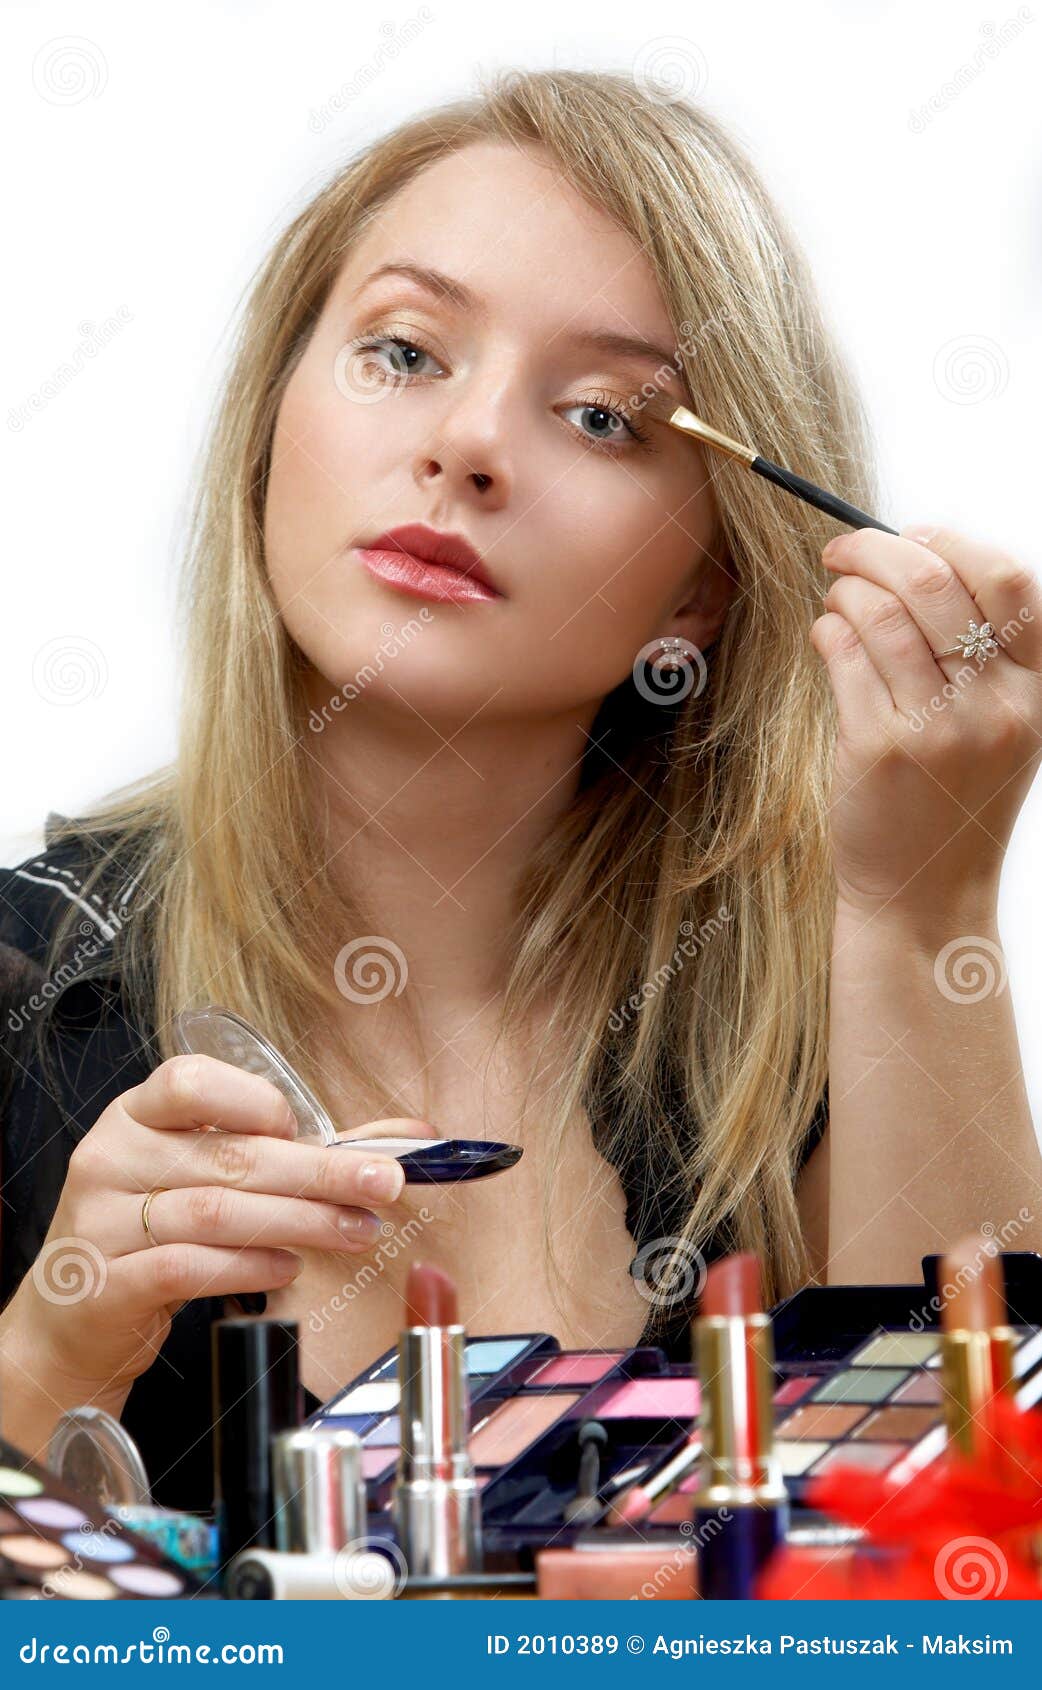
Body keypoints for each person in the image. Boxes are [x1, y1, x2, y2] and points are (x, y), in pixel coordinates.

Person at [3, 69, 1040, 1517]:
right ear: (267, 424)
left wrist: (927, 902)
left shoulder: (809, 1032)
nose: (469, 443)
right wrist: (44, 1360)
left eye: (606, 417)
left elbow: (967, 1561)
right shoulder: (23, 991)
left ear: (705, 588)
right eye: (405, 351)